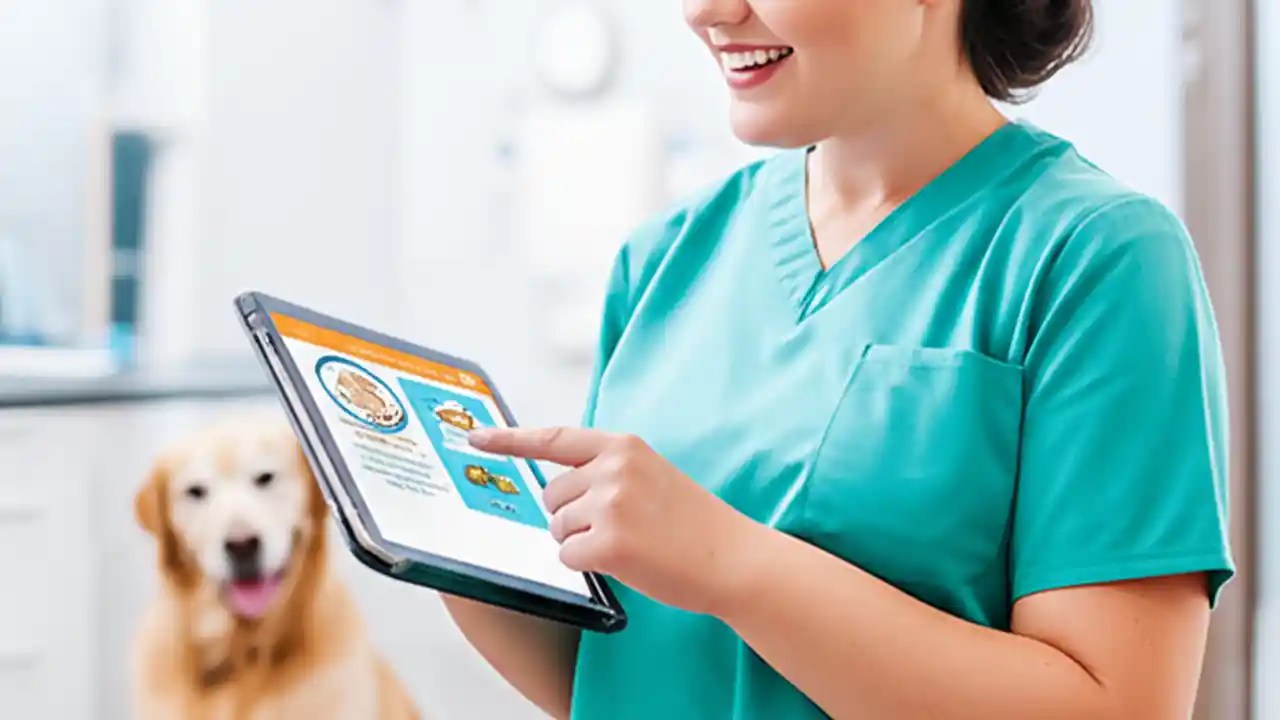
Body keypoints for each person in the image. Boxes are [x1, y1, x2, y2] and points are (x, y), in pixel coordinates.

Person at [444, 1, 1235, 717]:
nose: (706, 12)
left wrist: (727, 561)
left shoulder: (1099, 261)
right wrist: (455, 553)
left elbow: (1116, 706)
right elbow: (629, 680)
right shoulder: (664, 261)